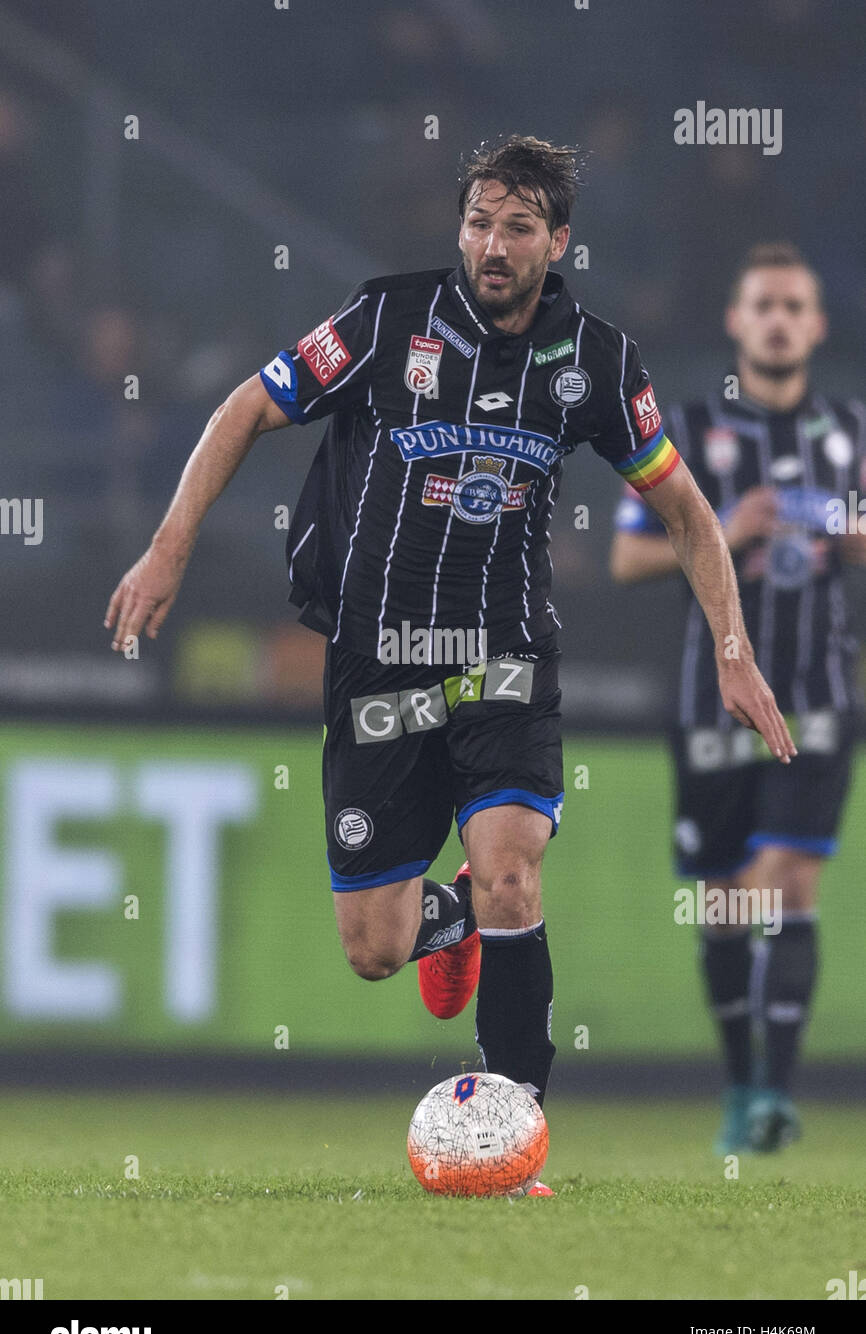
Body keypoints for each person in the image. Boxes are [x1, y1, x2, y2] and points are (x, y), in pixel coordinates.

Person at [105, 139, 795, 1179]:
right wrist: (168, 547)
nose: (492, 244)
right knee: (374, 949)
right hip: (377, 667)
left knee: (511, 874)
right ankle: (445, 919)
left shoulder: (595, 362)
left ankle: (517, 1140)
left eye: (517, 227)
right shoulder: (385, 321)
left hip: (502, 662)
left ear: (556, 241)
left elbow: (689, 516)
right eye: (478, 222)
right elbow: (247, 406)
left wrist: (732, 650)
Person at [610, 243, 865, 1153]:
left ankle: (777, 1097)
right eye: (764, 304)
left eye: (796, 306)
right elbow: (629, 556)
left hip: (820, 691)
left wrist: (840, 529)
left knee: (787, 882)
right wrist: (728, 529)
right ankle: (741, 1084)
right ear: (736, 320)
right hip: (709, 696)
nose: (780, 320)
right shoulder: (689, 429)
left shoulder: (852, 431)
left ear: (818, 325)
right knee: (723, 902)